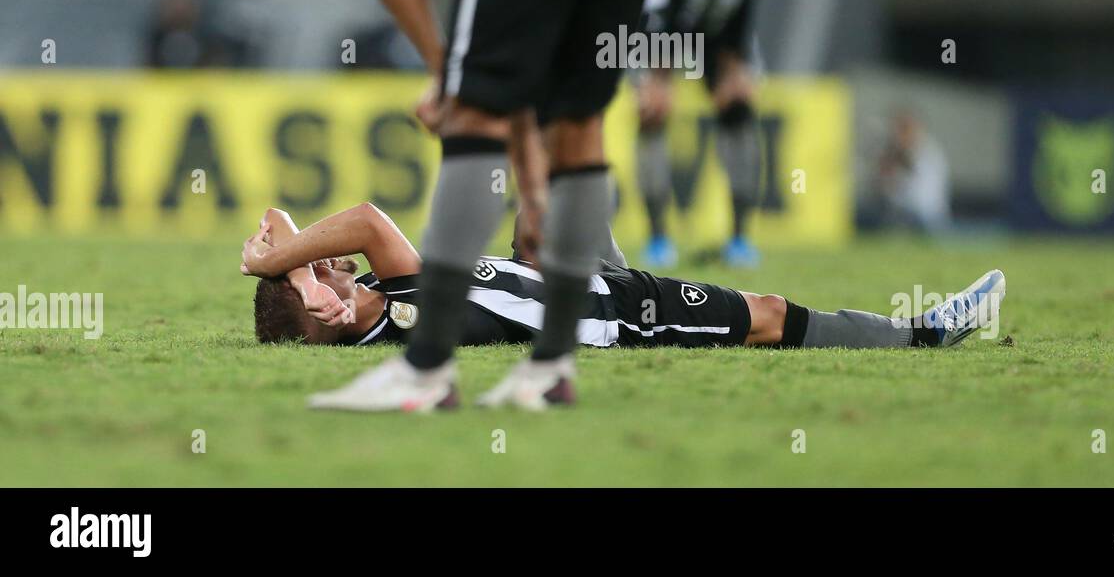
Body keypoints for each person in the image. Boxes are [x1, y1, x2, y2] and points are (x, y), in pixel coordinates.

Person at [248, 0, 667, 410]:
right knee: (575, 123)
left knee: (469, 112)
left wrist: (445, 73)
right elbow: (509, 52)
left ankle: (424, 373)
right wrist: (529, 184)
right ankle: (551, 369)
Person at [240, 205, 1007, 410]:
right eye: (317, 277)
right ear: (325, 316)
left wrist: (284, 254)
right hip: (613, 311)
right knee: (768, 314)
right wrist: (281, 262)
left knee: (546, 196)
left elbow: (293, 222)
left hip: (558, 277)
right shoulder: (396, 315)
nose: (327, 263)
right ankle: (923, 335)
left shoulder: (395, 291)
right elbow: (369, 220)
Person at [636, 0, 780, 268]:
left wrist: (736, 67)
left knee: (739, 111)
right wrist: (658, 77)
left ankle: (739, 239)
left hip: (719, 35)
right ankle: (657, 240)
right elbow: (655, 11)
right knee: (652, 113)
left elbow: (745, 5)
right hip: (665, 30)